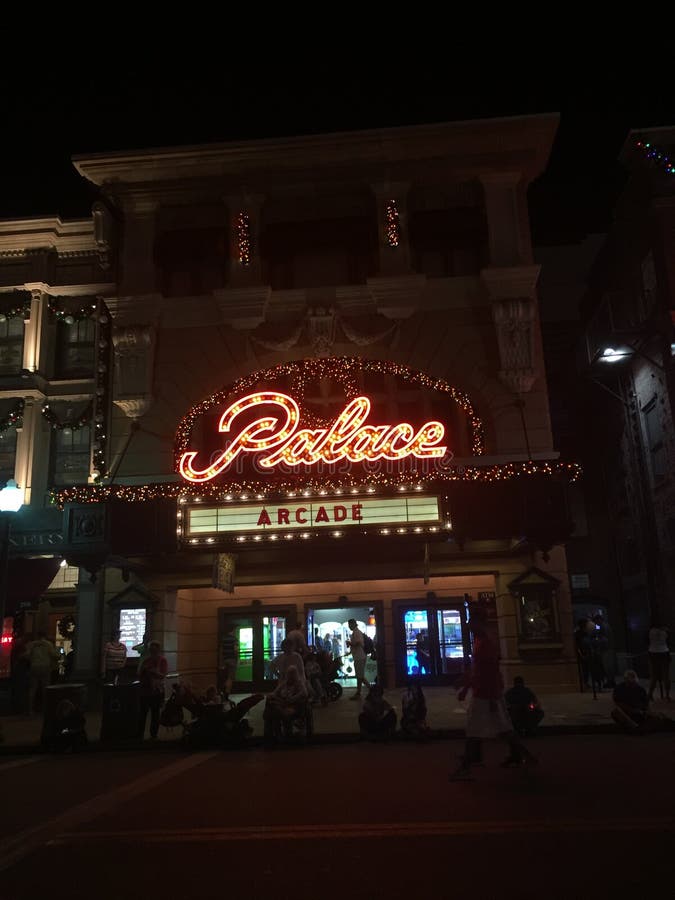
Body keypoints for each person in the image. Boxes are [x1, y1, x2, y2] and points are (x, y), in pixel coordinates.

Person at [451, 613, 536, 780]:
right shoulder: (480, 642)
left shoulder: (486, 645)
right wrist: (465, 684)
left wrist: (468, 688)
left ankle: (466, 767)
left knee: (474, 730)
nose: (469, 626)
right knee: (503, 728)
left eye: (472, 623)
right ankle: (521, 756)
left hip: (486, 694)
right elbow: (478, 670)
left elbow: (486, 673)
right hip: (488, 693)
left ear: (480, 624)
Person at [264, 665, 309, 741]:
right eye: (289, 673)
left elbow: (305, 693)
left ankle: (278, 733)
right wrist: (271, 695)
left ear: (295, 674)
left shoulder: (299, 683)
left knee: (274, 711)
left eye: (292, 673)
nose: (290, 675)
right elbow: (275, 692)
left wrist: (293, 698)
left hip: (293, 705)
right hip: (283, 703)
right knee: (271, 703)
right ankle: (277, 731)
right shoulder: (284, 683)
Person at [137, 641, 168, 741]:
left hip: (156, 691)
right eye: (151, 650)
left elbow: (163, 674)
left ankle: (153, 734)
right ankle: (140, 734)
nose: (153, 652)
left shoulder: (162, 660)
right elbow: (140, 673)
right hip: (145, 691)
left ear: (158, 650)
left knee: (155, 714)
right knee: (142, 714)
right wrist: (143, 671)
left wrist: (152, 671)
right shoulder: (146, 660)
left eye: (154, 650)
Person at [25, 631, 59, 715]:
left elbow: (27, 655)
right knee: (45, 689)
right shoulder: (48, 644)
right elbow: (54, 655)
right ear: (45, 636)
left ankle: (30, 710)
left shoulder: (31, 644)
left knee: (33, 689)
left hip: (34, 666)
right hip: (45, 667)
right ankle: (45, 709)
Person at [647, 623, 671, 702]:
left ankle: (650, 694)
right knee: (666, 675)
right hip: (664, 651)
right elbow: (669, 641)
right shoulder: (665, 630)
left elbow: (646, 641)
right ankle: (667, 696)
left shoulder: (650, 630)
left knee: (654, 676)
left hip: (653, 652)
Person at [347, 618, 370, 700]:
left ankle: (368, 690)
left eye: (350, 624)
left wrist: (349, 643)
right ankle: (359, 692)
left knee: (360, 676)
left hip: (359, 657)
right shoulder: (356, 632)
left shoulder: (357, 632)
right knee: (360, 676)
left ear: (353, 624)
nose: (349, 626)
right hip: (358, 656)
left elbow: (358, 643)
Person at [220, 624, 239, 697]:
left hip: (224, 660)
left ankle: (222, 690)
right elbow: (235, 650)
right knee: (230, 677)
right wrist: (236, 659)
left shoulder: (223, 639)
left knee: (224, 676)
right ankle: (227, 692)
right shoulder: (234, 639)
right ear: (233, 630)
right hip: (232, 660)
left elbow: (221, 650)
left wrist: (221, 661)